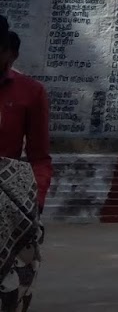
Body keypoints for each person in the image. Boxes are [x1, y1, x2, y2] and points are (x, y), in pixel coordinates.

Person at [0, 24, 48, 311]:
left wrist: (35, 201)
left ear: (7, 53)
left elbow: (40, 157)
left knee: (11, 285)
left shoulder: (30, 92)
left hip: (8, 208)